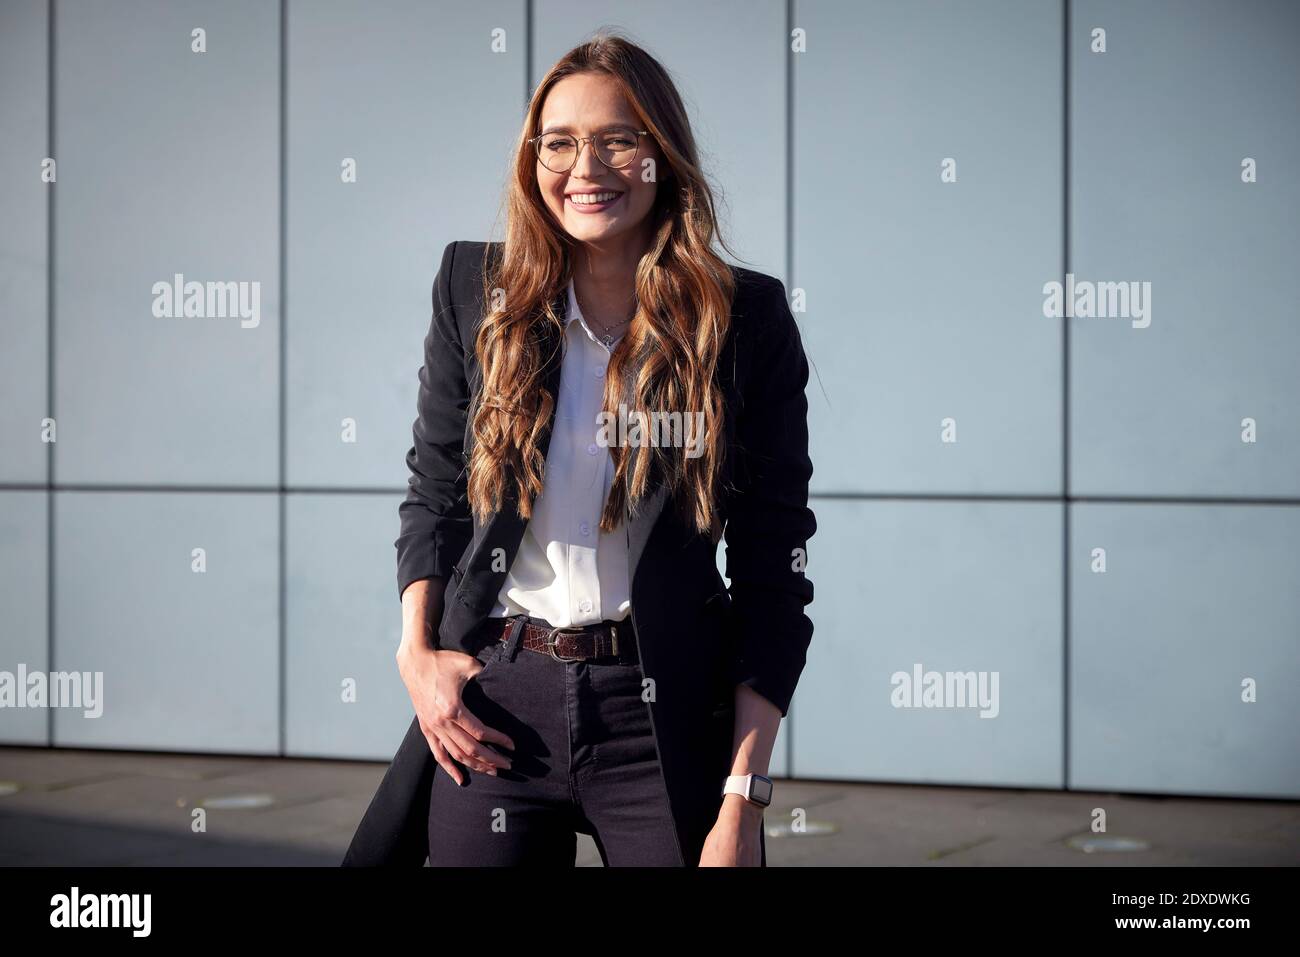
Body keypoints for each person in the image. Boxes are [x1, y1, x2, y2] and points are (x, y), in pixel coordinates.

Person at [342, 31, 815, 868]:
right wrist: (418, 655)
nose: (584, 167)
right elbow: (437, 492)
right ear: (533, 162)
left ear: (662, 156)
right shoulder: (474, 290)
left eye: (618, 139)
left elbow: (774, 569)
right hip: (497, 703)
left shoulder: (743, 320)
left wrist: (742, 795)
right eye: (558, 143)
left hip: (660, 715)